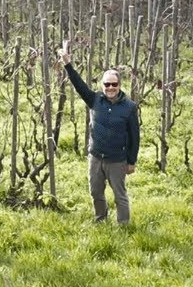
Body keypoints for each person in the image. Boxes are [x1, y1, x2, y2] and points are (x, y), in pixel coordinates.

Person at [59, 42, 139, 224]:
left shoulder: (129, 107)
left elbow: (135, 137)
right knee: (96, 192)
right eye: (107, 84)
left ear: (119, 85)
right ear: (102, 85)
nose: (111, 88)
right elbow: (79, 85)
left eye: (114, 84)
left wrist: (131, 162)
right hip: (96, 157)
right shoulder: (95, 100)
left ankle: (124, 225)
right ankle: (100, 219)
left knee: (120, 195)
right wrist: (67, 64)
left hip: (117, 160)